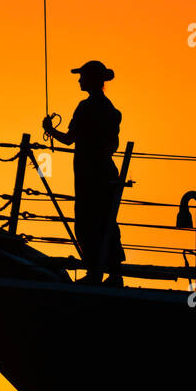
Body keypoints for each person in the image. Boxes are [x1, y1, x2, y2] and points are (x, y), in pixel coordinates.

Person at [43, 61, 125, 286]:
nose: (79, 81)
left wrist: (49, 130)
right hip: (106, 172)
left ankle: (95, 272)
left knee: (86, 223)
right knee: (106, 221)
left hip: (88, 176)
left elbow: (69, 139)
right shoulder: (110, 110)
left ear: (91, 79)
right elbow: (112, 144)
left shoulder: (85, 107)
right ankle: (114, 274)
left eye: (82, 77)